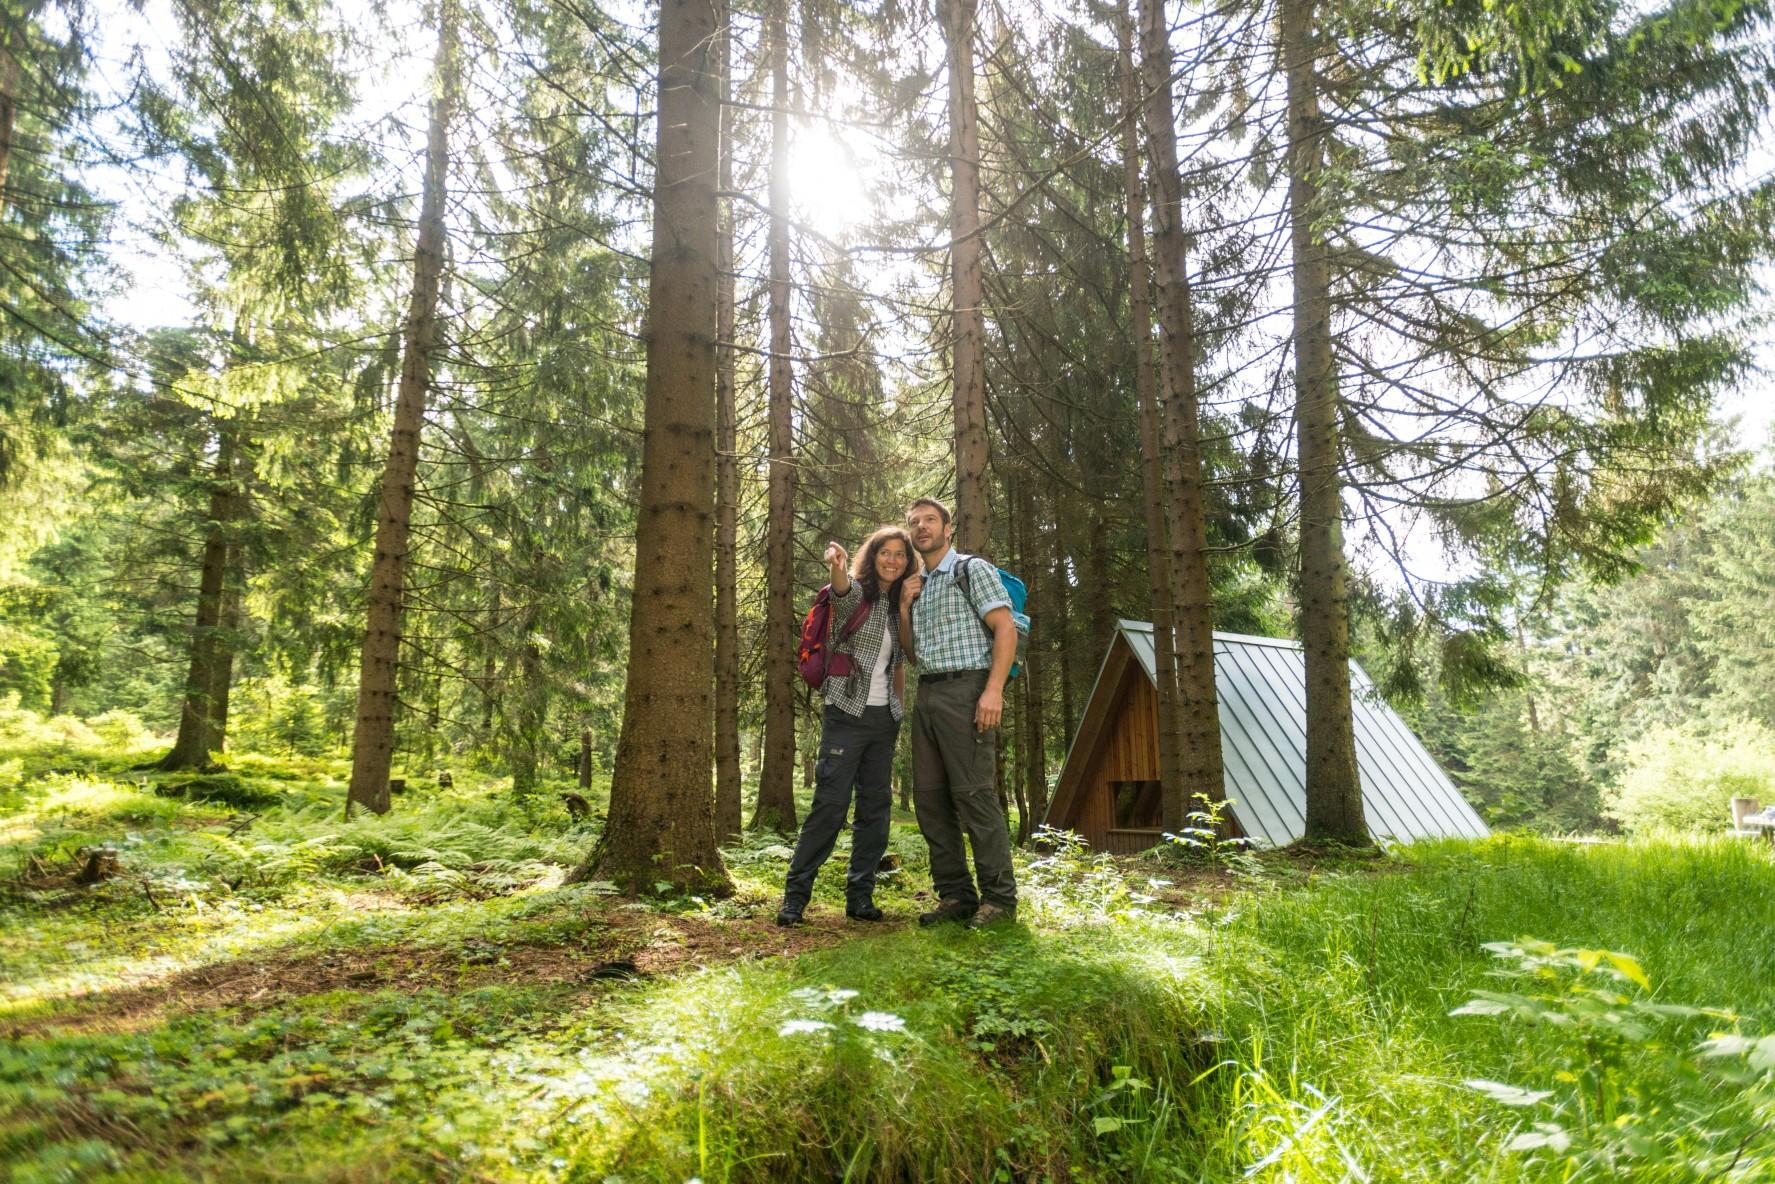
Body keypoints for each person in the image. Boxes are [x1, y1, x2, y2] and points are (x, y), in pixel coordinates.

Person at [776, 526, 917, 926]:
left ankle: (860, 898)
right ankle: (794, 899)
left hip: (882, 721)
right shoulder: (857, 593)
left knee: (875, 811)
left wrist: (897, 712)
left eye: (900, 555)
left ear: (907, 562)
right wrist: (837, 566)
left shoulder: (898, 606)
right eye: (885, 553)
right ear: (873, 557)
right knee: (831, 806)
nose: (892, 560)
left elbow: (901, 662)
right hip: (846, 713)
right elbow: (840, 589)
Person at [898, 497, 1019, 928]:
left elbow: (1005, 628)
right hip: (927, 694)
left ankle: (1000, 901)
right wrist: (904, 607)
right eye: (914, 522)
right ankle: (956, 897)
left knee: (974, 795)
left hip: (968, 689)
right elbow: (913, 655)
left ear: (948, 528)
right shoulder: (919, 584)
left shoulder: (972, 569)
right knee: (930, 800)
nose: (922, 527)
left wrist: (993, 691)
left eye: (930, 520)